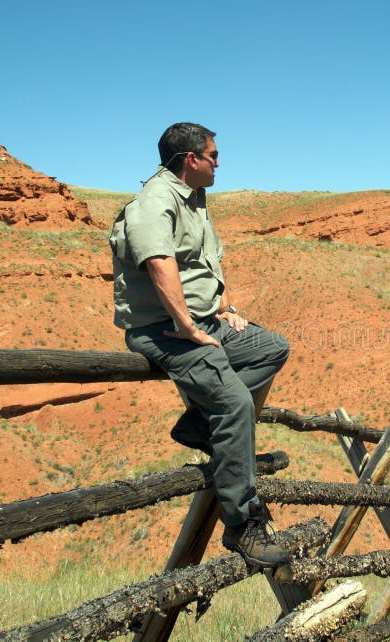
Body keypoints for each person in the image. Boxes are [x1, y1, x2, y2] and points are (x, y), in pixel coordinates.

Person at [109, 122, 290, 568]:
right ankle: (243, 525)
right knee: (235, 404)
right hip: (164, 329)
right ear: (191, 159)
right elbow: (159, 263)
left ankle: (199, 424)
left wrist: (225, 306)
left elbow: (203, 266)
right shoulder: (155, 202)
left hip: (205, 319)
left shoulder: (195, 201)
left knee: (272, 348)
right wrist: (187, 324)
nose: (218, 163)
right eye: (213, 156)